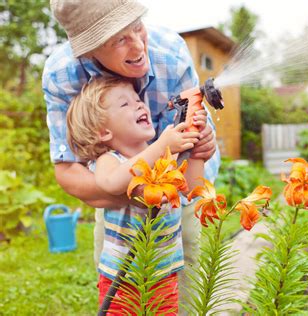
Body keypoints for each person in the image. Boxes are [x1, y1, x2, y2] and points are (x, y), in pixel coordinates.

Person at [43, 0, 219, 302]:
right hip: (119, 227)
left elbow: (188, 187)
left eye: (138, 27)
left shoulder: (171, 55)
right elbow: (74, 171)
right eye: (120, 39)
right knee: (120, 301)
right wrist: (151, 181)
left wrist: (200, 151)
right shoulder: (63, 75)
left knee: (183, 302)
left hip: (170, 236)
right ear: (89, 48)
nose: (139, 47)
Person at [66, 76, 205, 313]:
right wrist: (161, 145)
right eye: (125, 104)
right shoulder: (109, 160)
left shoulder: (164, 157)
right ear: (103, 132)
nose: (140, 105)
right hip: (123, 280)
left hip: (164, 275)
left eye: (138, 100)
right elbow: (112, 183)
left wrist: (196, 146)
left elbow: (191, 188)